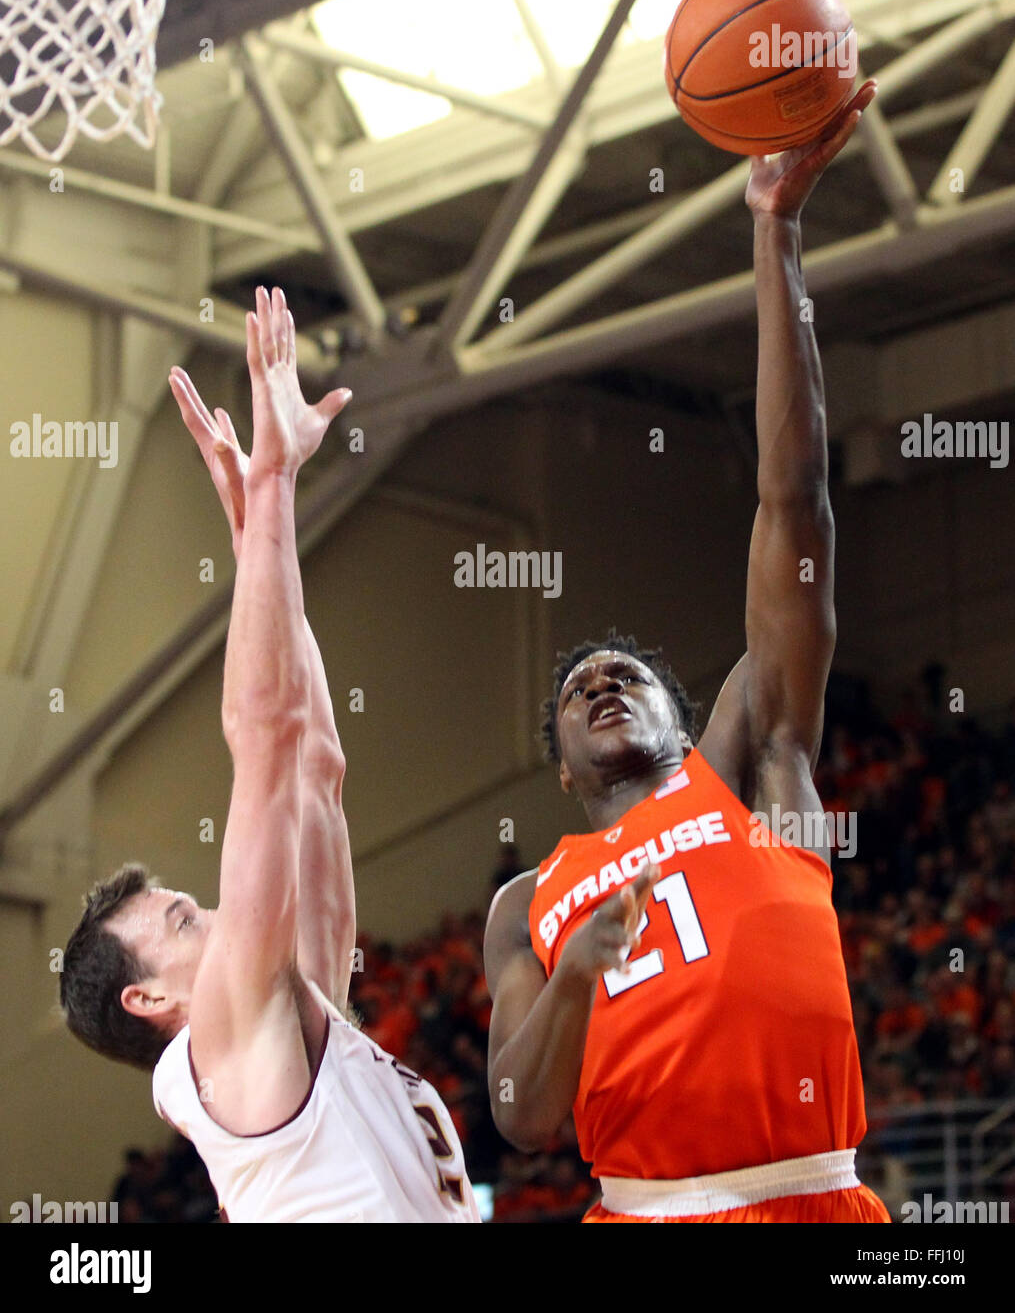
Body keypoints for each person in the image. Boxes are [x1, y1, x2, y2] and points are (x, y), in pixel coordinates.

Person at [484, 83, 891, 1223]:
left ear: (681, 710)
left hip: (814, 1199)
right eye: (576, 687)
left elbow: (792, 500)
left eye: (626, 672)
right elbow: (520, 1115)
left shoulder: (756, 762)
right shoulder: (529, 901)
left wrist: (774, 235)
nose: (602, 680)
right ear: (562, 770)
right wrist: (570, 976)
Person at [60, 287, 478, 1224]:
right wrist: (274, 484)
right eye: (179, 920)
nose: (209, 912)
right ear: (147, 999)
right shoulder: (227, 1036)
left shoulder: (299, 1020)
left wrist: (258, 544)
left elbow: (314, 764)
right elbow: (265, 743)